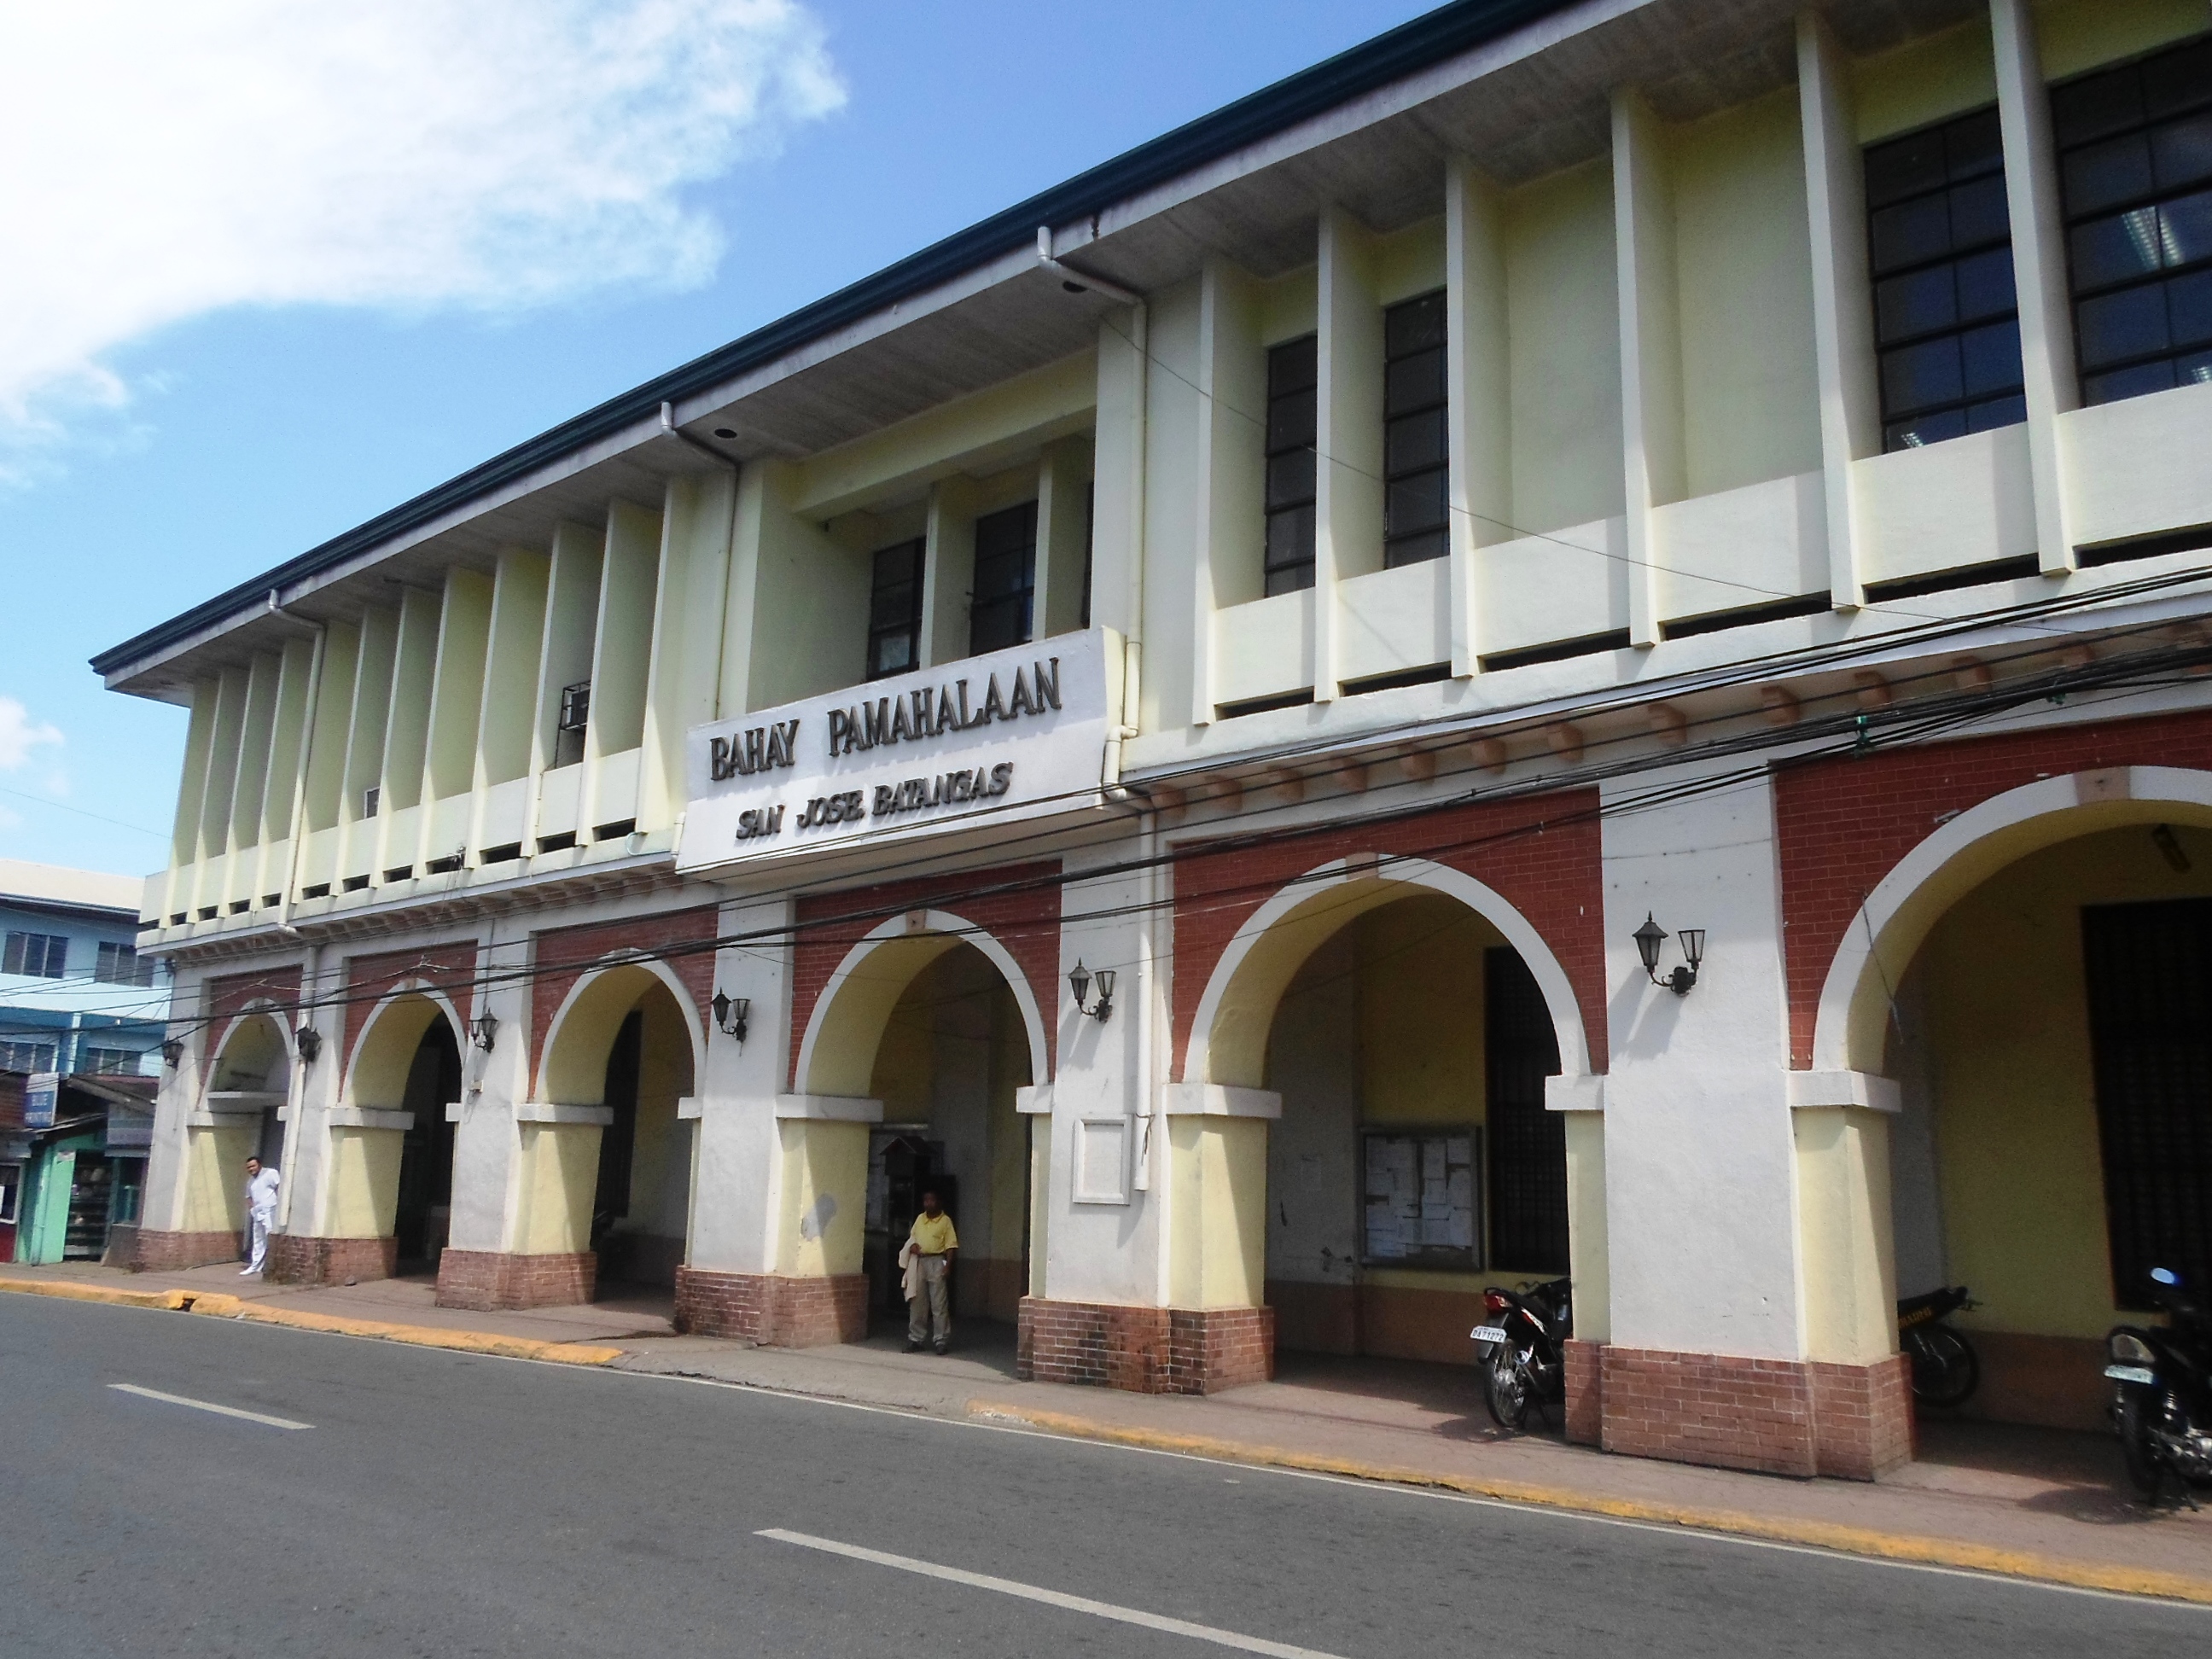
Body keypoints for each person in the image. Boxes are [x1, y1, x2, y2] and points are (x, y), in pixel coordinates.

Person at [904, 1188, 957, 1354]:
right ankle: (916, 1339)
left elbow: (951, 1246)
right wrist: (912, 1246)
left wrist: (948, 1266)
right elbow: (912, 1238)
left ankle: (941, 1340)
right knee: (917, 1302)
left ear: (938, 1202)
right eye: (926, 1200)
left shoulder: (945, 1221)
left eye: (931, 1200)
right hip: (919, 1261)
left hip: (936, 1260)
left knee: (939, 1303)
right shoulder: (920, 1219)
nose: (928, 1203)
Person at [241, 1156, 280, 1276]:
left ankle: (269, 1264)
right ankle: (255, 1266)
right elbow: (248, 1197)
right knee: (258, 1239)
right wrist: (252, 1209)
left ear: (259, 1165)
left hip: (270, 1210)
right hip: (257, 1212)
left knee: (270, 1237)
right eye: (249, 1167)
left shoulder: (271, 1173)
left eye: (253, 1166)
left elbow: (279, 1188)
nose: (251, 1169)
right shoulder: (250, 1181)